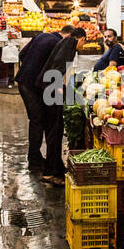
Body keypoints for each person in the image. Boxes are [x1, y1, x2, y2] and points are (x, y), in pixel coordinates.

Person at [16, 24, 69, 172]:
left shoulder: (42, 35)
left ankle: (36, 157)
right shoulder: (58, 44)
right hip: (30, 86)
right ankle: (34, 161)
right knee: (37, 121)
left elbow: (21, 55)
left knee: (38, 120)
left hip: (24, 81)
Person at [40, 25, 80, 186]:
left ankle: (54, 169)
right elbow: (58, 66)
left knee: (54, 132)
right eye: (84, 43)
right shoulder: (70, 44)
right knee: (54, 132)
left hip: (51, 91)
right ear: (81, 38)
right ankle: (51, 172)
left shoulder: (66, 43)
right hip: (52, 93)